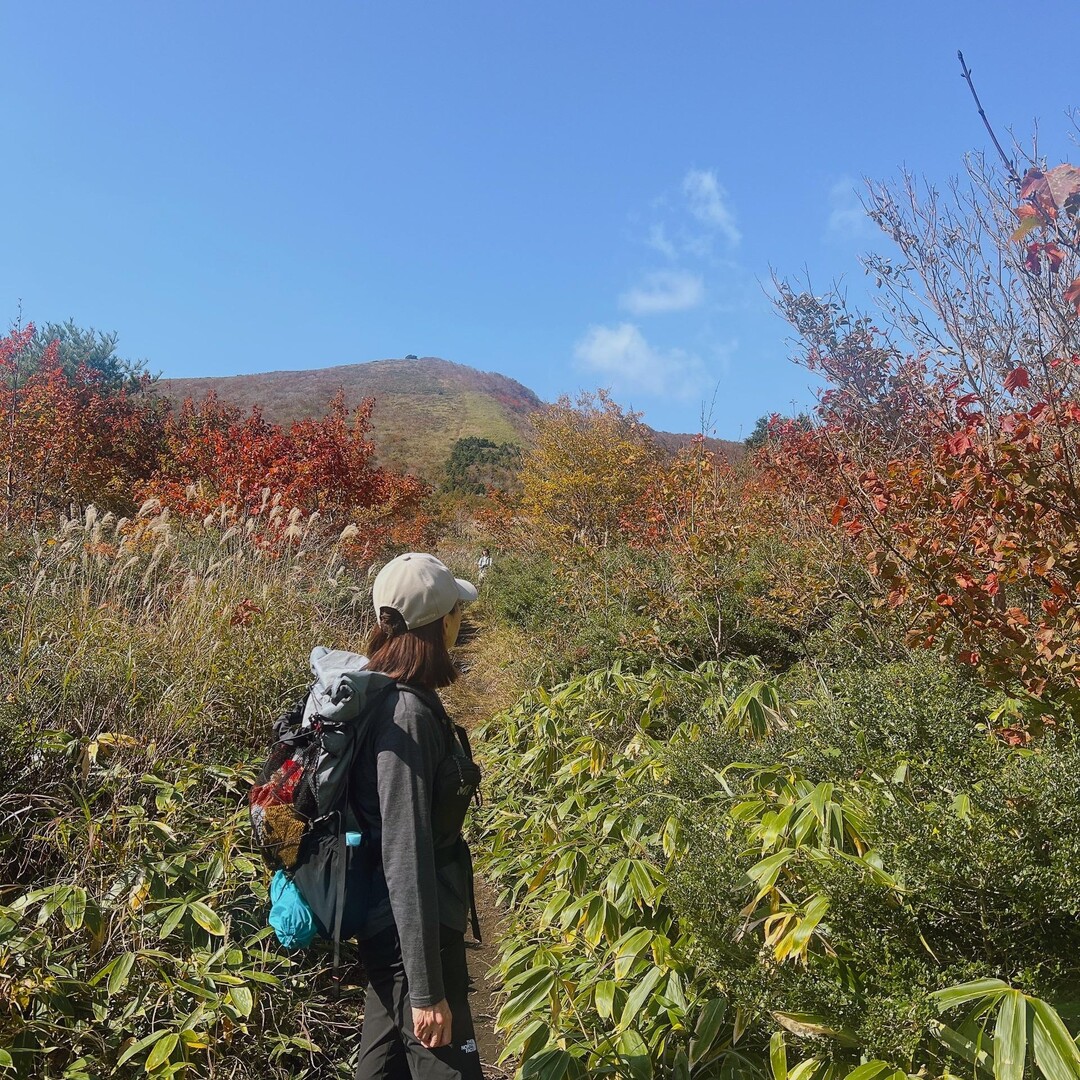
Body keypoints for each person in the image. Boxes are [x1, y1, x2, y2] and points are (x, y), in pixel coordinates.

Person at [350, 552, 484, 1080]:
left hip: (389, 929)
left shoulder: (385, 695)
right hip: (414, 934)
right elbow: (404, 851)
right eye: (457, 612)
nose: (461, 622)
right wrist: (428, 990)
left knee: (381, 1065)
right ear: (439, 623)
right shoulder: (406, 716)